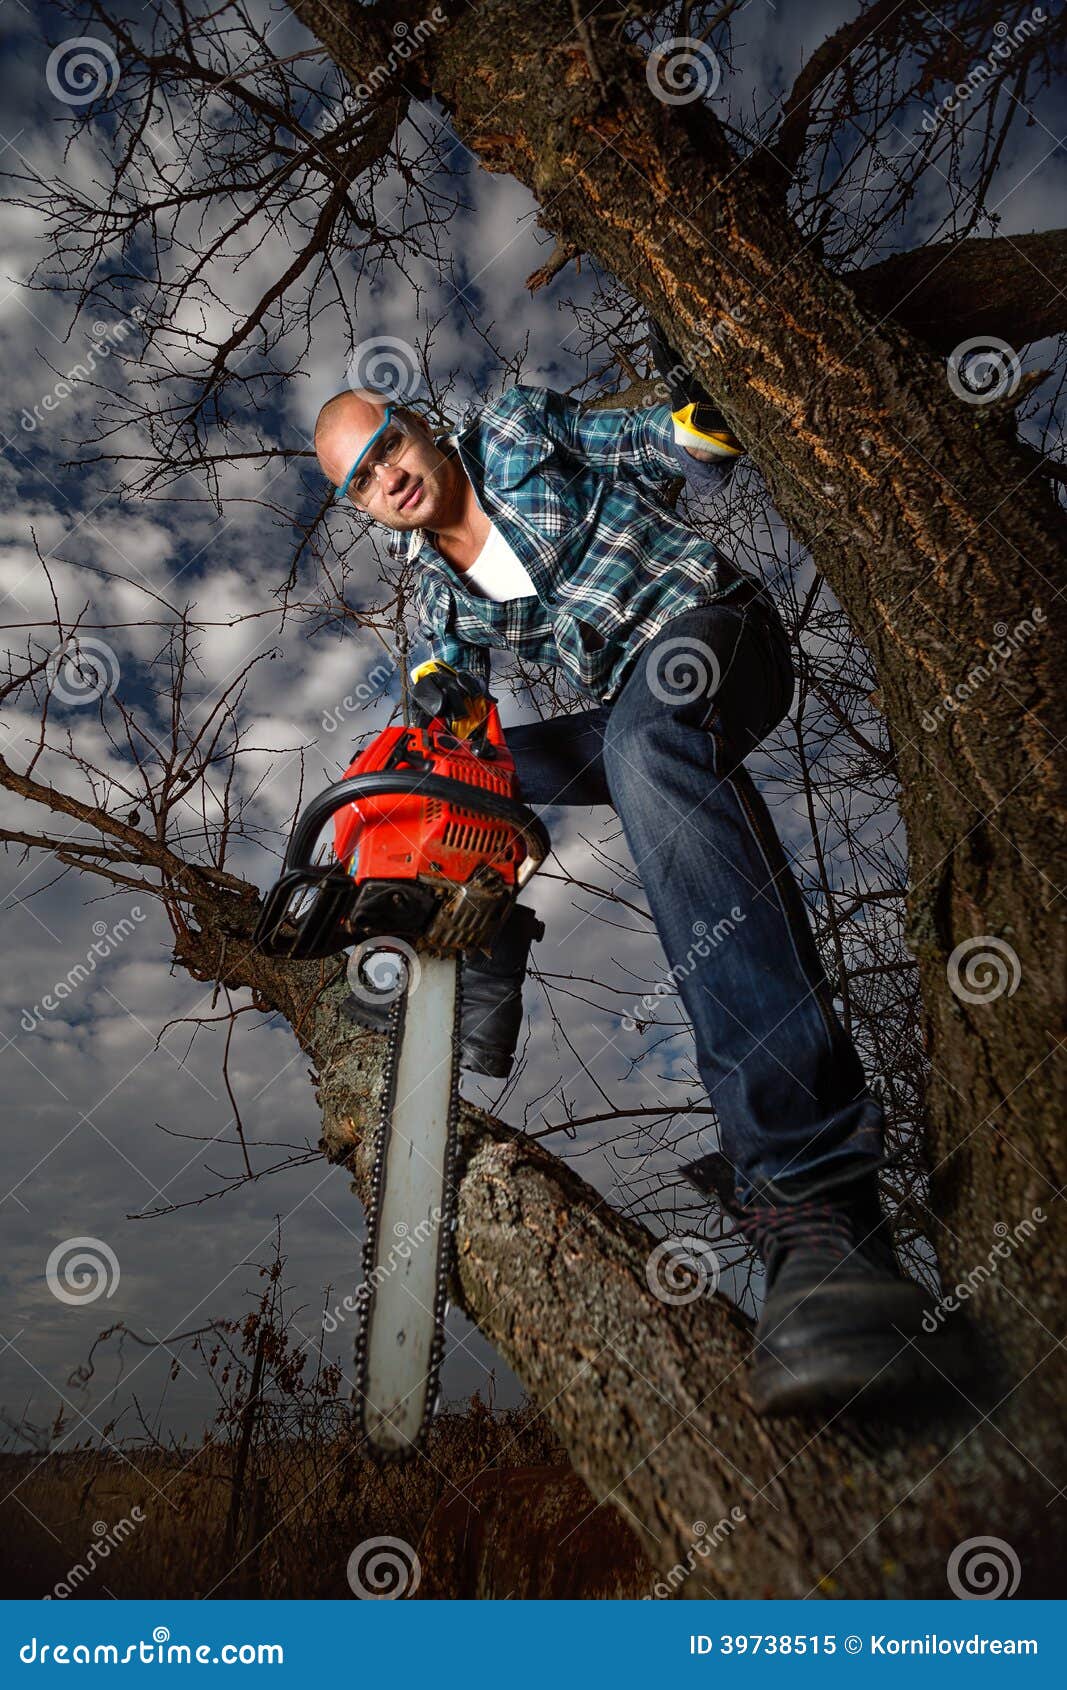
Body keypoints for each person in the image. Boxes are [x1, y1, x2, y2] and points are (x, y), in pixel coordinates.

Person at [312, 329, 937, 1415]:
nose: (386, 476)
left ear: (421, 427)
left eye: (386, 445)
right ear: (362, 506)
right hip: (634, 712)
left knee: (651, 740)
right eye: (360, 480)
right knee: (471, 772)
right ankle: (482, 950)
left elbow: (653, 438)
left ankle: (811, 1197)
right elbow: (450, 698)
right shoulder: (439, 600)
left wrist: (700, 419)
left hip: (712, 633)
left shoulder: (510, 430)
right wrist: (437, 746)